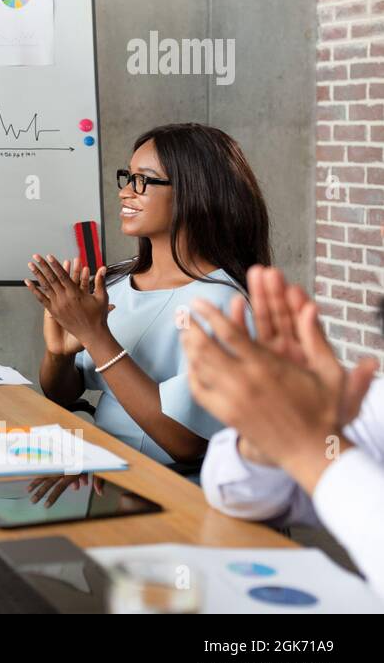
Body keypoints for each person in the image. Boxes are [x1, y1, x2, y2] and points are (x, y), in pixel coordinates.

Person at [25, 123, 271, 466]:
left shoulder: (222, 304)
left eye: (143, 180)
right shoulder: (115, 281)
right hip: (109, 477)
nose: (126, 192)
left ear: (193, 191)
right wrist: (58, 354)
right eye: (127, 177)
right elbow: (63, 392)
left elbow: (184, 442)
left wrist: (95, 335)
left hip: (172, 493)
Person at [184, 264, 383, 597]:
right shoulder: (373, 405)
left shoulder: (218, 295)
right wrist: (266, 440)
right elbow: (237, 496)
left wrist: (306, 447)